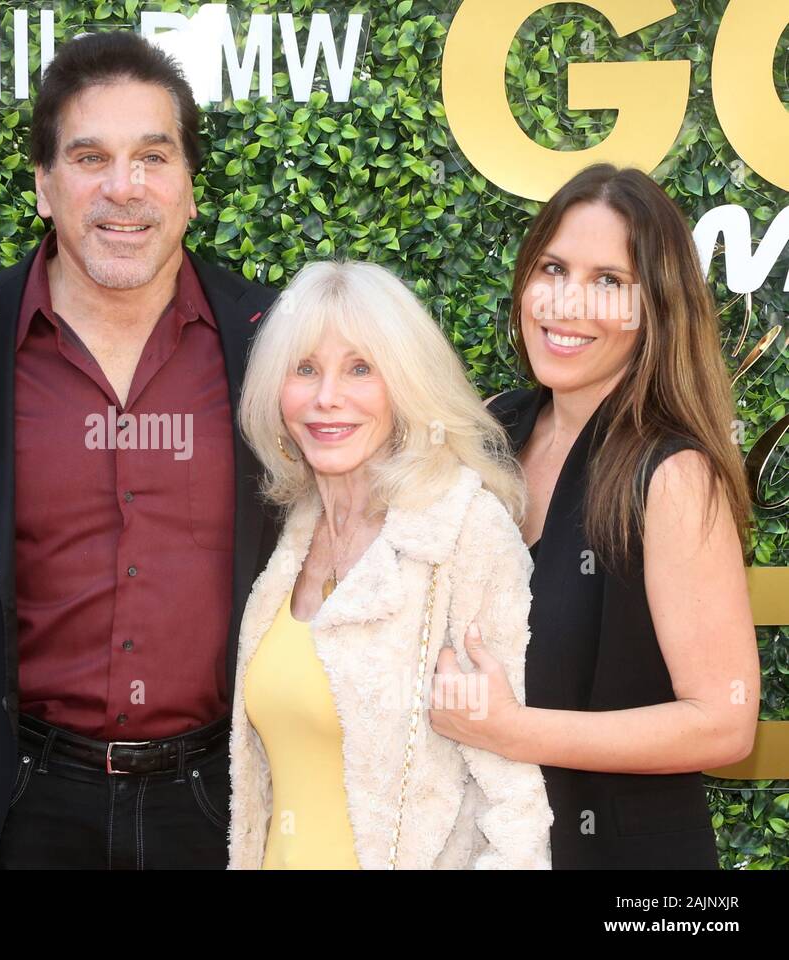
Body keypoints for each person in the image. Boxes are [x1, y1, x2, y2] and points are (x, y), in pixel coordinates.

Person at [0, 31, 278, 868]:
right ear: (42, 185)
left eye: (153, 157)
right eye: (91, 157)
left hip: (227, 801)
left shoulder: (279, 344)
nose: (124, 189)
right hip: (16, 803)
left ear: (190, 187)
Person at [432, 163, 760, 868]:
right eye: (552, 267)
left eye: (609, 282)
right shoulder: (494, 429)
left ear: (656, 307)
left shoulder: (673, 474)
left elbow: (724, 724)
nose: (566, 303)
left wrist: (513, 731)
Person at [227, 259, 553, 869]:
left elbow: (517, 798)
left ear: (406, 386)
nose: (328, 397)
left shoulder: (463, 532)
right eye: (305, 369)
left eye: (360, 369)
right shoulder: (290, 536)